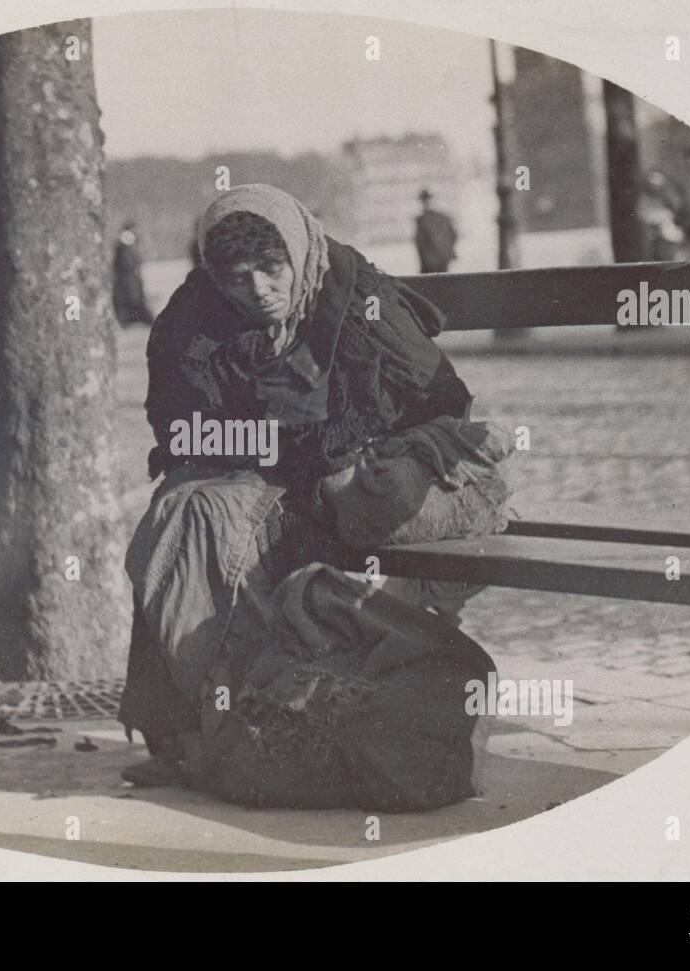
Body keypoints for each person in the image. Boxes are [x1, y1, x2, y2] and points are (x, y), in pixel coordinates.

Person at [119, 184, 514, 810]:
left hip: (355, 478)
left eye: (271, 269)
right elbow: (177, 422)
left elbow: (440, 404)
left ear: (298, 255)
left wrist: (323, 449)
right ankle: (202, 722)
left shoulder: (357, 301)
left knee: (221, 518)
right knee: (184, 514)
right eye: (237, 277)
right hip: (260, 476)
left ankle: (250, 717)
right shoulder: (194, 315)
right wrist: (251, 448)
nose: (257, 289)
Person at [112, 219, 153, 325]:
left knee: (133, 301)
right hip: (128, 280)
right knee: (132, 301)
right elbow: (126, 263)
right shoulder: (125, 242)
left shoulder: (126, 243)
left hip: (129, 279)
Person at [414, 187, 458, 273]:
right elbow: (454, 235)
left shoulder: (424, 220)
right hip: (437, 260)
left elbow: (453, 235)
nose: (425, 203)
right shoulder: (441, 217)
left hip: (432, 261)